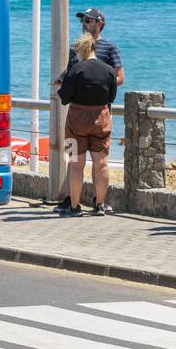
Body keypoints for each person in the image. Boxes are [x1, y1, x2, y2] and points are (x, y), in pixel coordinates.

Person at [55, 33, 118, 217]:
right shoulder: (108, 71)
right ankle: (100, 205)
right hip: (101, 119)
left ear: (82, 50)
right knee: (101, 164)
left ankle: (74, 207)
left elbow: (64, 98)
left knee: (75, 164)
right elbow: (111, 97)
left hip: (76, 121)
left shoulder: (75, 70)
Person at [65, 7, 124, 85]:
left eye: (87, 21)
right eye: (82, 20)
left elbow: (120, 78)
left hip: (100, 96)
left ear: (99, 24)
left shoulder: (109, 47)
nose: (84, 24)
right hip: (78, 96)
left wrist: (97, 85)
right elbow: (70, 73)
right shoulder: (74, 47)